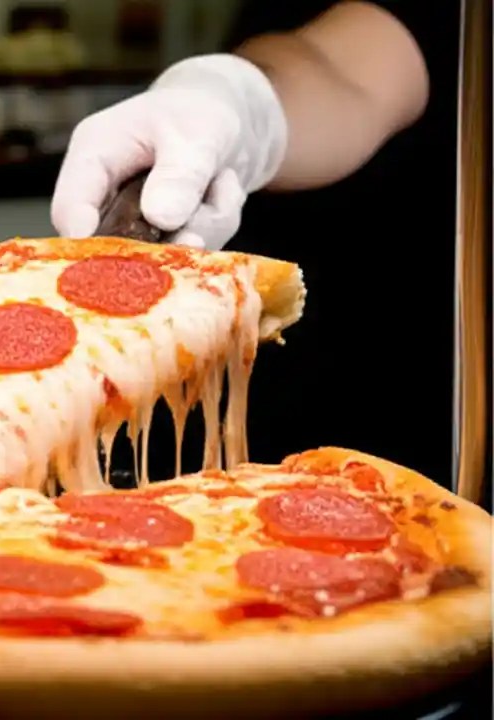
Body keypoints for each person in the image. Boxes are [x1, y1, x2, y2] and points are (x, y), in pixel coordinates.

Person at [49, 1, 463, 486]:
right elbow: (328, 65)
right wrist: (236, 100)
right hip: (219, 360)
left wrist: (244, 105)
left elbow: (358, 68)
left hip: (373, 385)